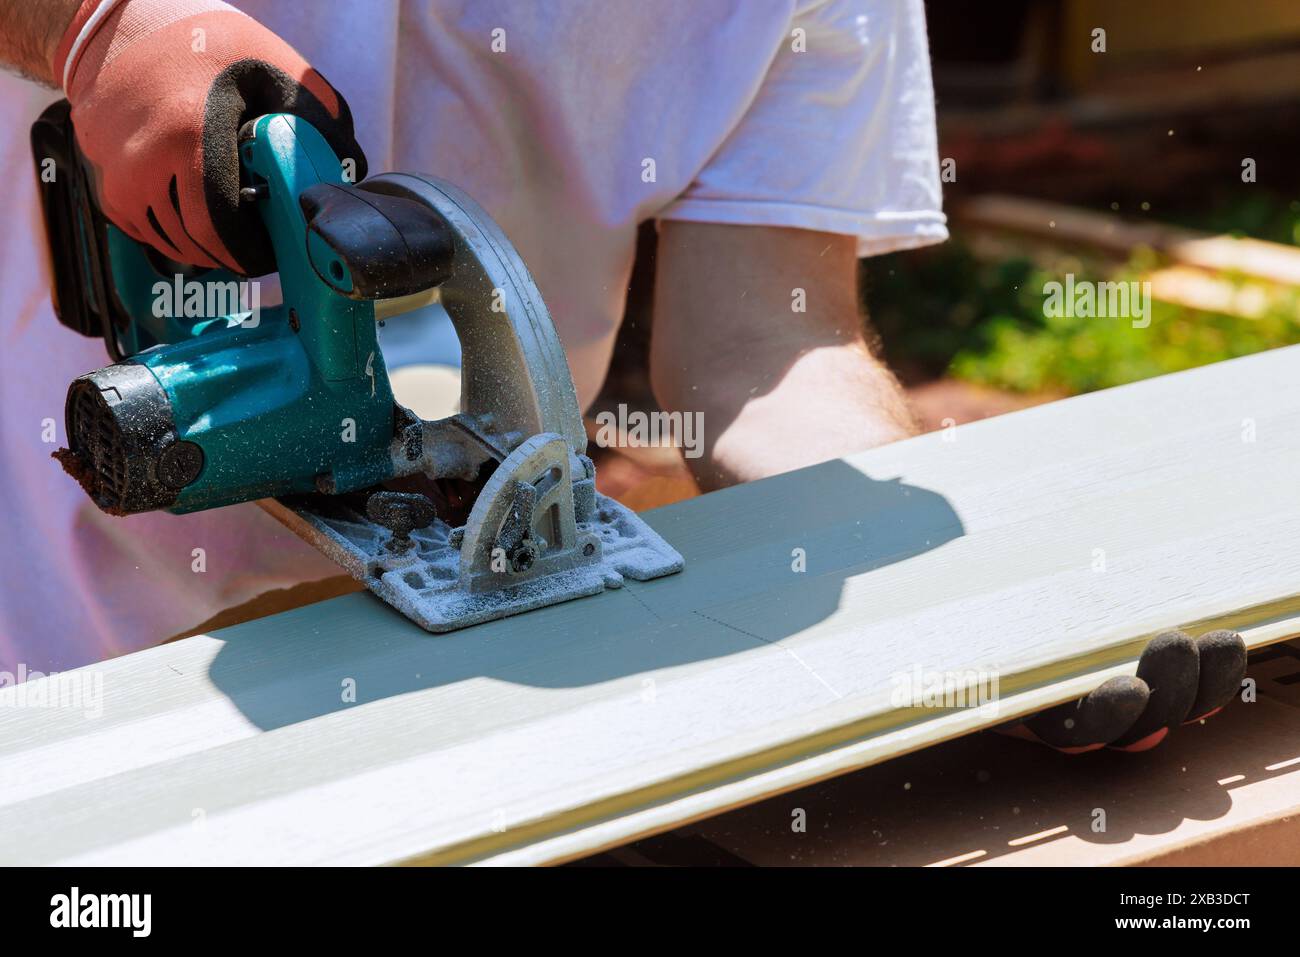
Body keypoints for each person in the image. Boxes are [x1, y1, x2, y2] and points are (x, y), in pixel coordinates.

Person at [0, 0, 1242, 753]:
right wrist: (92, 26)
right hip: (47, 649)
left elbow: (770, 349)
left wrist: (972, 632)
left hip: (460, 664)